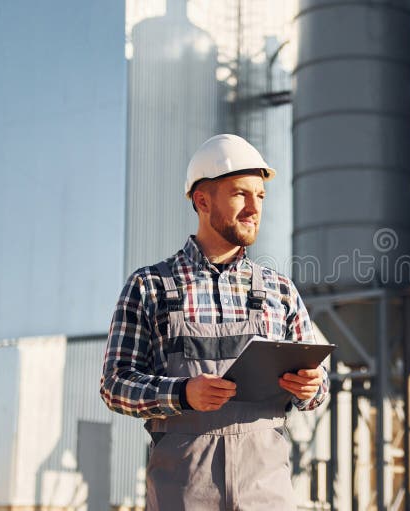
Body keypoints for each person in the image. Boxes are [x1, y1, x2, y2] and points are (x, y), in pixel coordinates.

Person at [100, 134, 329, 510]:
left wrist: (311, 387)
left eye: (260, 196)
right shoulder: (149, 287)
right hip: (186, 493)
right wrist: (182, 393)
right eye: (241, 194)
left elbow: (318, 392)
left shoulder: (280, 290)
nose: (254, 208)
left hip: (266, 493)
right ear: (202, 200)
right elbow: (114, 385)